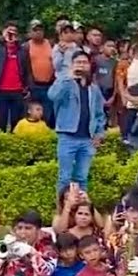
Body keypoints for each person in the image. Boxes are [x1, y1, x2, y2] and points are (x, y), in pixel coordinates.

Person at [50, 51, 106, 194]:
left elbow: (100, 113)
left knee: (82, 178)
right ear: (72, 65)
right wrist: (67, 77)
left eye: (84, 62)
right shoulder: (66, 83)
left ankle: (82, 213)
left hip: (87, 139)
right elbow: (52, 95)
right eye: (78, 62)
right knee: (65, 178)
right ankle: (62, 211)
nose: (81, 65)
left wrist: (99, 133)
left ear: (89, 66)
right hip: (67, 136)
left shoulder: (94, 89)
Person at [0, 20, 31, 132]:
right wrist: (2, 38)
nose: (11, 34)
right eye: (9, 31)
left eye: (14, 32)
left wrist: (27, 87)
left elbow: (27, 69)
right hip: (0, 90)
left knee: (16, 121)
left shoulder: (22, 50)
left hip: (18, 90)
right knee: (1, 121)